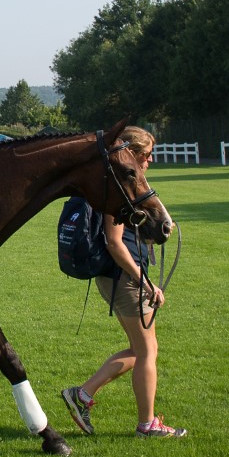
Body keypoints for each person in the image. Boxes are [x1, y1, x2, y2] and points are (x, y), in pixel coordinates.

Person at [60, 125, 187, 439]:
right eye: (145, 155)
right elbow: (115, 243)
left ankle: (83, 395)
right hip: (125, 278)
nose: (150, 161)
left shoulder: (126, 187)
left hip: (126, 277)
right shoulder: (114, 191)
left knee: (143, 349)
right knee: (146, 352)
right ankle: (146, 424)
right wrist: (145, 282)